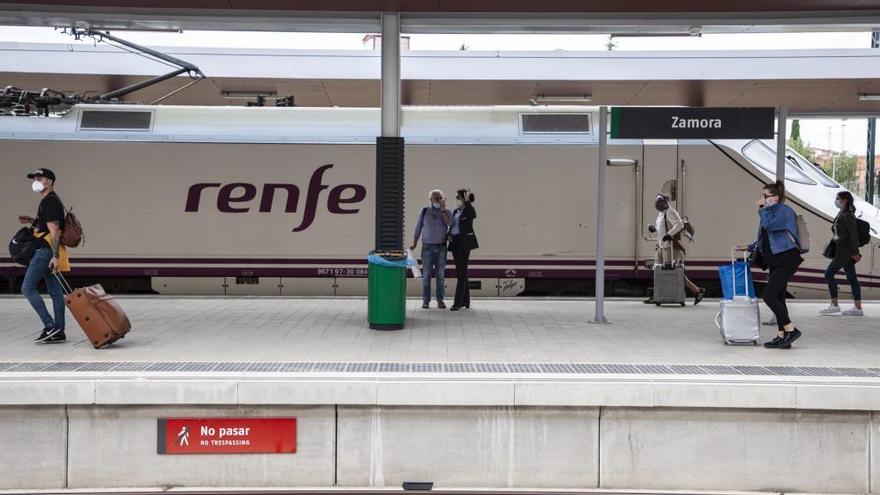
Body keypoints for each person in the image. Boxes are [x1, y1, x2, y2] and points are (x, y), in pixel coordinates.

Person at [737, 181, 803, 349]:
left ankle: (790, 329)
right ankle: (782, 336)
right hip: (776, 260)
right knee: (779, 297)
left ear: (775, 197)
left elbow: (769, 226)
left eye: (764, 196)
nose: (762, 199)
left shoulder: (784, 211)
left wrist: (761, 208)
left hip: (787, 258)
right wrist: (750, 247)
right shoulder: (770, 211)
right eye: (761, 196)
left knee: (769, 296)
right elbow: (765, 237)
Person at [17, 168, 70, 344]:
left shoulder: (49, 202)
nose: (36, 181)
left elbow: (55, 231)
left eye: (40, 178)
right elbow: (47, 227)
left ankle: (50, 326)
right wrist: (32, 221)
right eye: (35, 178)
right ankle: (59, 332)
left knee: (27, 288)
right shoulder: (50, 201)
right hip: (49, 250)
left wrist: (54, 256)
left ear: (49, 181)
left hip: (45, 251)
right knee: (55, 292)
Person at [644, 194, 706, 305]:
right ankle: (656, 295)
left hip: (670, 247)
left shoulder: (670, 211)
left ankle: (697, 291)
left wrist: (669, 234)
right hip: (661, 246)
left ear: (665, 202)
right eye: (656, 202)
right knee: (657, 271)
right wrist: (654, 230)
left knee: (672, 271)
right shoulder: (660, 214)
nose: (656, 204)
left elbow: (679, 224)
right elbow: (663, 230)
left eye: (659, 202)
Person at [819, 191, 863, 316]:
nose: (836, 201)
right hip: (843, 251)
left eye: (837, 198)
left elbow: (853, 235)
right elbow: (839, 233)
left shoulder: (848, 215)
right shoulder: (842, 213)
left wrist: (856, 252)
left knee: (828, 274)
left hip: (845, 252)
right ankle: (857, 307)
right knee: (852, 278)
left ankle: (835, 305)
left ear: (845, 200)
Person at [410, 189, 452, 309]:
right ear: (430, 199)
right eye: (436, 198)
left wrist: (443, 211)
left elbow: (450, 223)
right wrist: (414, 243)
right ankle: (426, 301)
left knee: (440, 275)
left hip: (441, 247)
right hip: (427, 247)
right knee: (427, 275)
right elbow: (418, 228)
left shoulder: (447, 211)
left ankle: (440, 300)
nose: (438, 200)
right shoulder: (424, 211)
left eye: (440, 198)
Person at [448, 189, 478, 311]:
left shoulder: (468, 210)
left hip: (464, 243)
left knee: (461, 273)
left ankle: (458, 303)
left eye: (458, 198)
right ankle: (466, 301)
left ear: (463, 199)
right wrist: (448, 235)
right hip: (455, 242)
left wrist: (467, 203)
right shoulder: (456, 211)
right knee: (462, 270)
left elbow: (473, 215)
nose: (456, 200)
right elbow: (453, 226)